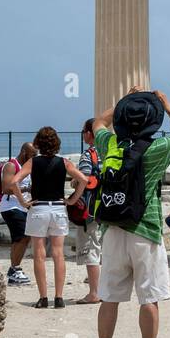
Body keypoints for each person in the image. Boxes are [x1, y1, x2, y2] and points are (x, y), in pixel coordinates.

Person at [93, 89, 170, 338]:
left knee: (109, 296)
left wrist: (122, 100)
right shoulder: (156, 149)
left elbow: (98, 122)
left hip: (112, 227)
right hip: (144, 229)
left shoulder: (109, 144)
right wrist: (168, 106)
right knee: (149, 297)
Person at [13, 130, 87, 308]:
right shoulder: (64, 162)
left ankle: (43, 297)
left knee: (39, 254)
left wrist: (23, 202)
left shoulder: (32, 162)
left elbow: (14, 181)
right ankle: (59, 297)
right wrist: (72, 200)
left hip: (38, 208)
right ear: (56, 143)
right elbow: (83, 179)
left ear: (38, 143)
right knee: (58, 253)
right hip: (58, 208)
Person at [0, 142, 36, 287]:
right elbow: (6, 188)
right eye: (33, 154)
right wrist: (26, 188)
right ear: (25, 153)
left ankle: (13, 268)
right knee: (23, 237)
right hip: (11, 206)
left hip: (22, 207)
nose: (34, 158)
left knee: (21, 239)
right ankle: (15, 270)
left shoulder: (27, 167)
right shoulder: (11, 165)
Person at [74, 118, 102, 305]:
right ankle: (106, 288)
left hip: (91, 210)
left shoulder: (88, 155)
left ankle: (94, 292)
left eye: (84, 131)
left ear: (89, 134)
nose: (83, 134)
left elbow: (84, 180)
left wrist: (74, 188)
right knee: (104, 249)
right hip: (110, 207)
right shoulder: (110, 152)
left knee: (91, 249)